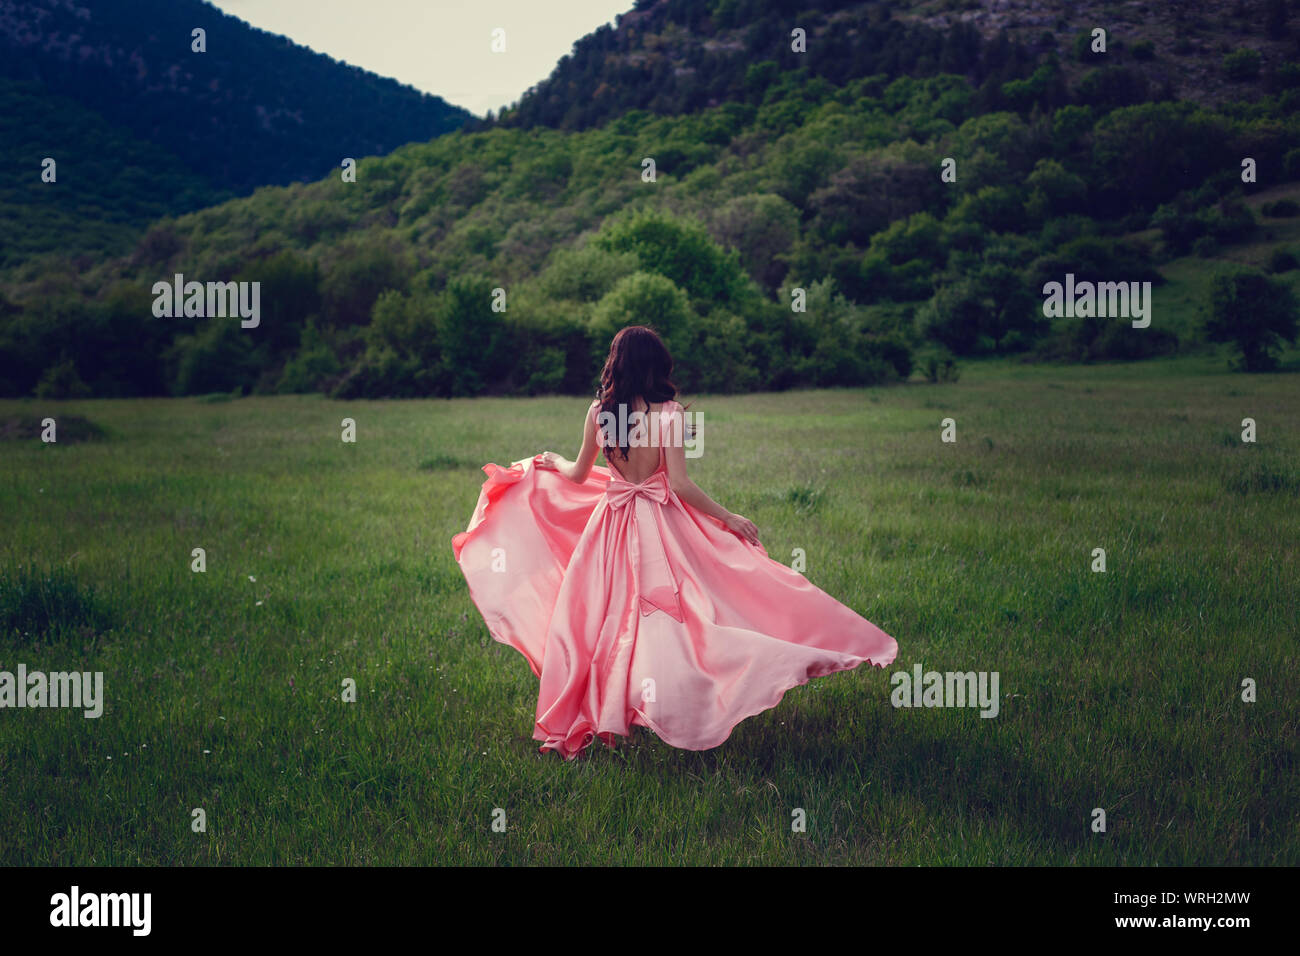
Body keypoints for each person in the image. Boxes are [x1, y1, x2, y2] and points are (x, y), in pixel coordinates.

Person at [452, 325, 897, 759]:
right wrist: (727, 517)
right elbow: (680, 484)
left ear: (615, 365)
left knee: (605, 619)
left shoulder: (599, 412)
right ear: (657, 365)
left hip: (610, 524)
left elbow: (577, 475)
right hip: (661, 521)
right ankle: (690, 691)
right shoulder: (671, 413)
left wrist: (550, 461)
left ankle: (612, 709)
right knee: (688, 612)